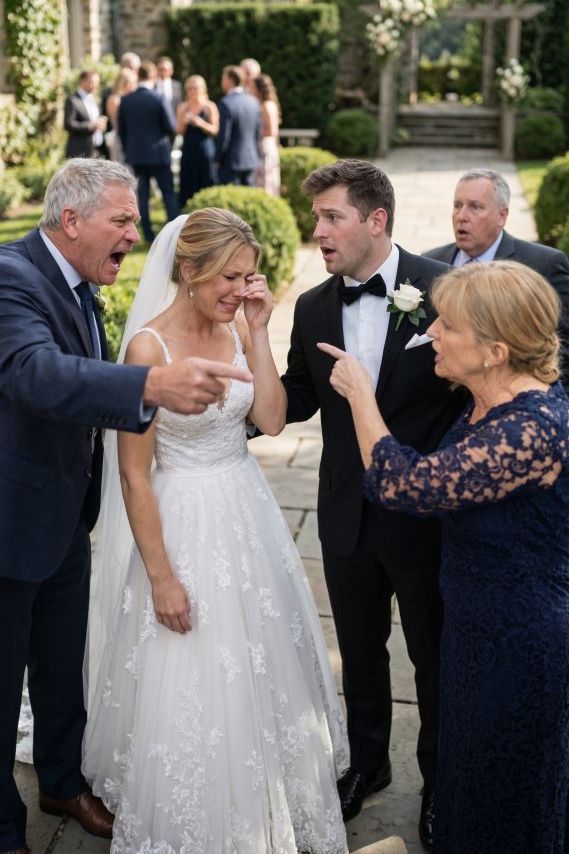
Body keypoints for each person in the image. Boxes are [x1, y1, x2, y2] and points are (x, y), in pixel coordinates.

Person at [0, 159, 254, 854]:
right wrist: (148, 386)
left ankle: (62, 781)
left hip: (65, 515)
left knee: (63, 664)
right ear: (70, 220)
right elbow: (33, 372)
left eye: (135, 222)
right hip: (11, 520)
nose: (135, 236)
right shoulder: (11, 276)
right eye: (121, 221)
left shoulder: (82, 284)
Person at [82, 208, 349, 854]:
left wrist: (257, 331)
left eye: (249, 276)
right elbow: (134, 475)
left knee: (261, 655)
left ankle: (265, 792)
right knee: (190, 663)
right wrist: (162, 577)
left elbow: (272, 419)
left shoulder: (236, 327)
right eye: (230, 277)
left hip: (246, 510)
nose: (241, 289)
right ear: (189, 270)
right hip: (181, 519)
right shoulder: (149, 349)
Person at [320, 260, 569, 854]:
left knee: (505, 793)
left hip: (519, 642)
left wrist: (361, 394)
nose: (431, 331)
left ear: (495, 352)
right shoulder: (489, 400)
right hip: (474, 629)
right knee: (468, 773)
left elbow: (404, 484)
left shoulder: (532, 430)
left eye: (448, 325)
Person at [281, 159, 465, 850]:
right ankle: (367, 763)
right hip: (346, 514)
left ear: (376, 219)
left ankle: (440, 781)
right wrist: (233, 397)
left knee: (433, 657)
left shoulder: (445, 290)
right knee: (358, 651)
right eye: (317, 218)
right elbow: (297, 395)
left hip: (425, 517)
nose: (319, 231)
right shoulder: (311, 307)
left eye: (332, 217)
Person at [423, 167, 569, 389]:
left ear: (502, 216)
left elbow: (563, 348)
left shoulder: (543, 264)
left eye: (475, 207)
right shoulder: (430, 261)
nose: (462, 216)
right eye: (457, 205)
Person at [118, 61, 179, 242]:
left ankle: (148, 235)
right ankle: (174, 232)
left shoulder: (126, 100)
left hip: (136, 155)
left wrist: (129, 149)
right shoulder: (159, 98)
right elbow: (171, 126)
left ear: (138, 76)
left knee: (142, 196)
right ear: (153, 76)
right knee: (168, 193)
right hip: (159, 153)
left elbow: (122, 131)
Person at [176, 74, 219, 208]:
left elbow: (215, 129)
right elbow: (178, 131)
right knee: (188, 180)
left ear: (202, 89)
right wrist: (184, 122)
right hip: (188, 148)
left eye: (195, 88)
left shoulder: (209, 106)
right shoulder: (183, 107)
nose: (192, 91)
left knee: (206, 179)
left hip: (204, 148)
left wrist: (201, 123)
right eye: (189, 88)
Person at [216, 65, 261, 186]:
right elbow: (257, 133)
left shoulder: (226, 102)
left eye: (223, 78)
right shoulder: (254, 102)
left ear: (230, 80)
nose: (221, 82)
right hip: (250, 159)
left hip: (231, 162)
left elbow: (224, 135)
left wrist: (217, 158)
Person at [64, 70, 107, 159]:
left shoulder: (95, 100)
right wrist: (90, 125)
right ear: (82, 81)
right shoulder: (73, 100)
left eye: (97, 83)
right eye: (92, 82)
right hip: (80, 151)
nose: (95, 86)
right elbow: (68, 124)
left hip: (96, 151)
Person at [251, 73, 281, 196]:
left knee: (266, 183)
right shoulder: (268, 104)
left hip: (264, 148)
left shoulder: (266, 106)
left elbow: (272, 131)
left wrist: (254, 133)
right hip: (266, 146)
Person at [105, 68, 138, 161]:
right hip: (120, 138)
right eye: (134, 83)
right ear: (127, 84)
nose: (135, 86)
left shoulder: (127, 99)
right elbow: (118, 122)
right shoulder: (115, 99)